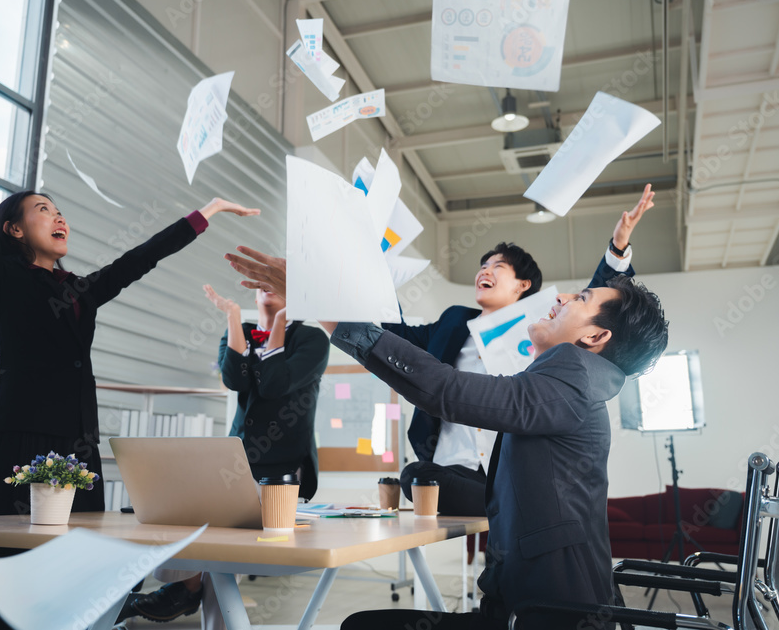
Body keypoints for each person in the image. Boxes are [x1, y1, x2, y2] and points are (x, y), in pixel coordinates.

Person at [0, 63, 259, 630]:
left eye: (58, 210)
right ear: (13, 230)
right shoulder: (0, 275)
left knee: (78, 594)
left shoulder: (79, 293)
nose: (56, 214)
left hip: (78, 456)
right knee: (1, 598)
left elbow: (140, 258)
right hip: (14, 450)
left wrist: (204, 212)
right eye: (42, 209)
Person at [225, 249, 669, 630]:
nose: (561, 297)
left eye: (581, 298)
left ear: (595, 336)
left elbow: (444, 391)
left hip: (548, 614)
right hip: (527, 607)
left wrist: (319, 300)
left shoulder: (574, 379)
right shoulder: (580, 380)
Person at [386, 186, 654, 517]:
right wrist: (377, 275)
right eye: (482, 265)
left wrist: (618, 247)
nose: (484, 270)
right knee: (417, 478)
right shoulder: (454, 321)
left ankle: (506, 507)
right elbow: (395, 336)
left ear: (522, 285)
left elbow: (597, 308)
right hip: (449, 465)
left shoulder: (539, 325)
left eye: (497, 266)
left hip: (508, 467)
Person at [118, 284, 328, 624]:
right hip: (237, 457)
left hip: (283, 467)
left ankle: (185, 590)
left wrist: (280, 324)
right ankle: (185, 586)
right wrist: (233, 317)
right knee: (199, 528)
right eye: (261, 283)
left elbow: (274, 384)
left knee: (226, 553)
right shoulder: (241, 331)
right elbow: (234, 380)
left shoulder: (312, 339)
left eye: (275, 281)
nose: (267, 287)